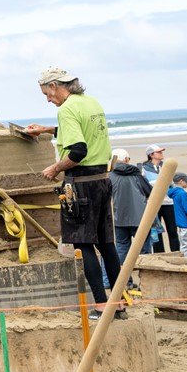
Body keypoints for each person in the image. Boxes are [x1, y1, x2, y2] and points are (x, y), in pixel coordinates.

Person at [22, 67, 119, 307]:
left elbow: (78, 151)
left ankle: (101, 304)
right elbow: (79, 133)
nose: (48, 99)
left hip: (81, 184)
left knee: (83, 243)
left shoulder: (66, 109)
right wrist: (45, 129)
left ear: (54, 86)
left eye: (47, 93)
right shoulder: (91, 102)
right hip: (102, 179)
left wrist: (55, 168)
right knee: (106, 244)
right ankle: (120, 302)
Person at [109, 149, 153, 266]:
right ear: (126, 160)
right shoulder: (136, 174)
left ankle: (123, 276)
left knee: (122, 248)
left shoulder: (110, 176)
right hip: (140, 218)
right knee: (143, 250)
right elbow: (149, 191)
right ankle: (144, 275)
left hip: (119, 218)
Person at [138, 145, 179, 253]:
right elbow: (144, 186)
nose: (161, 153)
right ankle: (159, 255)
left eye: (161, 151)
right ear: (151, 155)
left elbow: (171, 185)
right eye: (158, 152)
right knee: (156, 231)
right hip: (153, 204)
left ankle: (176, 253)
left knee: (172, 230)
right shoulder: (143, 168)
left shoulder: (165, 167)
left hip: (168, 202)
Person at [168, 174, 187, 255]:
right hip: (186, 224)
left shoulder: (174, 193)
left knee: (183, 246)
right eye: (186, 182)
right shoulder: (182, 193)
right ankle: (185, 261)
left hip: (180, 223)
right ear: (181, 181)